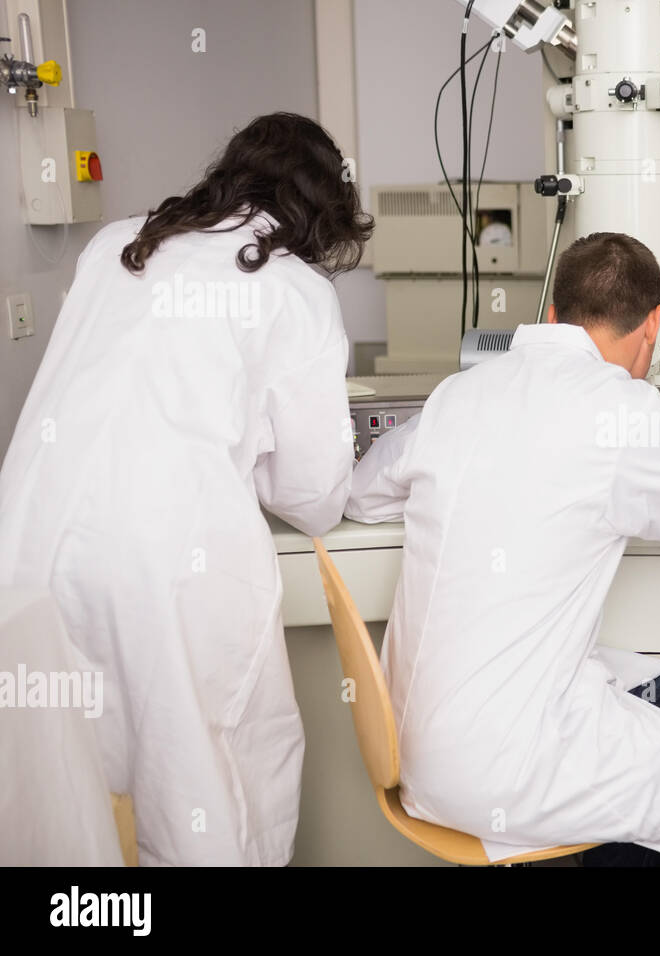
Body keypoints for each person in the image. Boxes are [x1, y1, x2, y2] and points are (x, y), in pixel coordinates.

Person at [346, 232, 660, 865]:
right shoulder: (627, 412)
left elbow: (360, 497)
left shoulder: (459, 394)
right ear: (653, 324)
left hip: (417, 748)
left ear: (552, 313)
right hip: (511, 767)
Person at [0, 112, 372, 865]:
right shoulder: (293, 289)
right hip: (161, 560)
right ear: (321, 210)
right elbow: (313, 497)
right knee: (207, 782)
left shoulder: (118, 244)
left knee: (57, 785)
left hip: (29, 538)